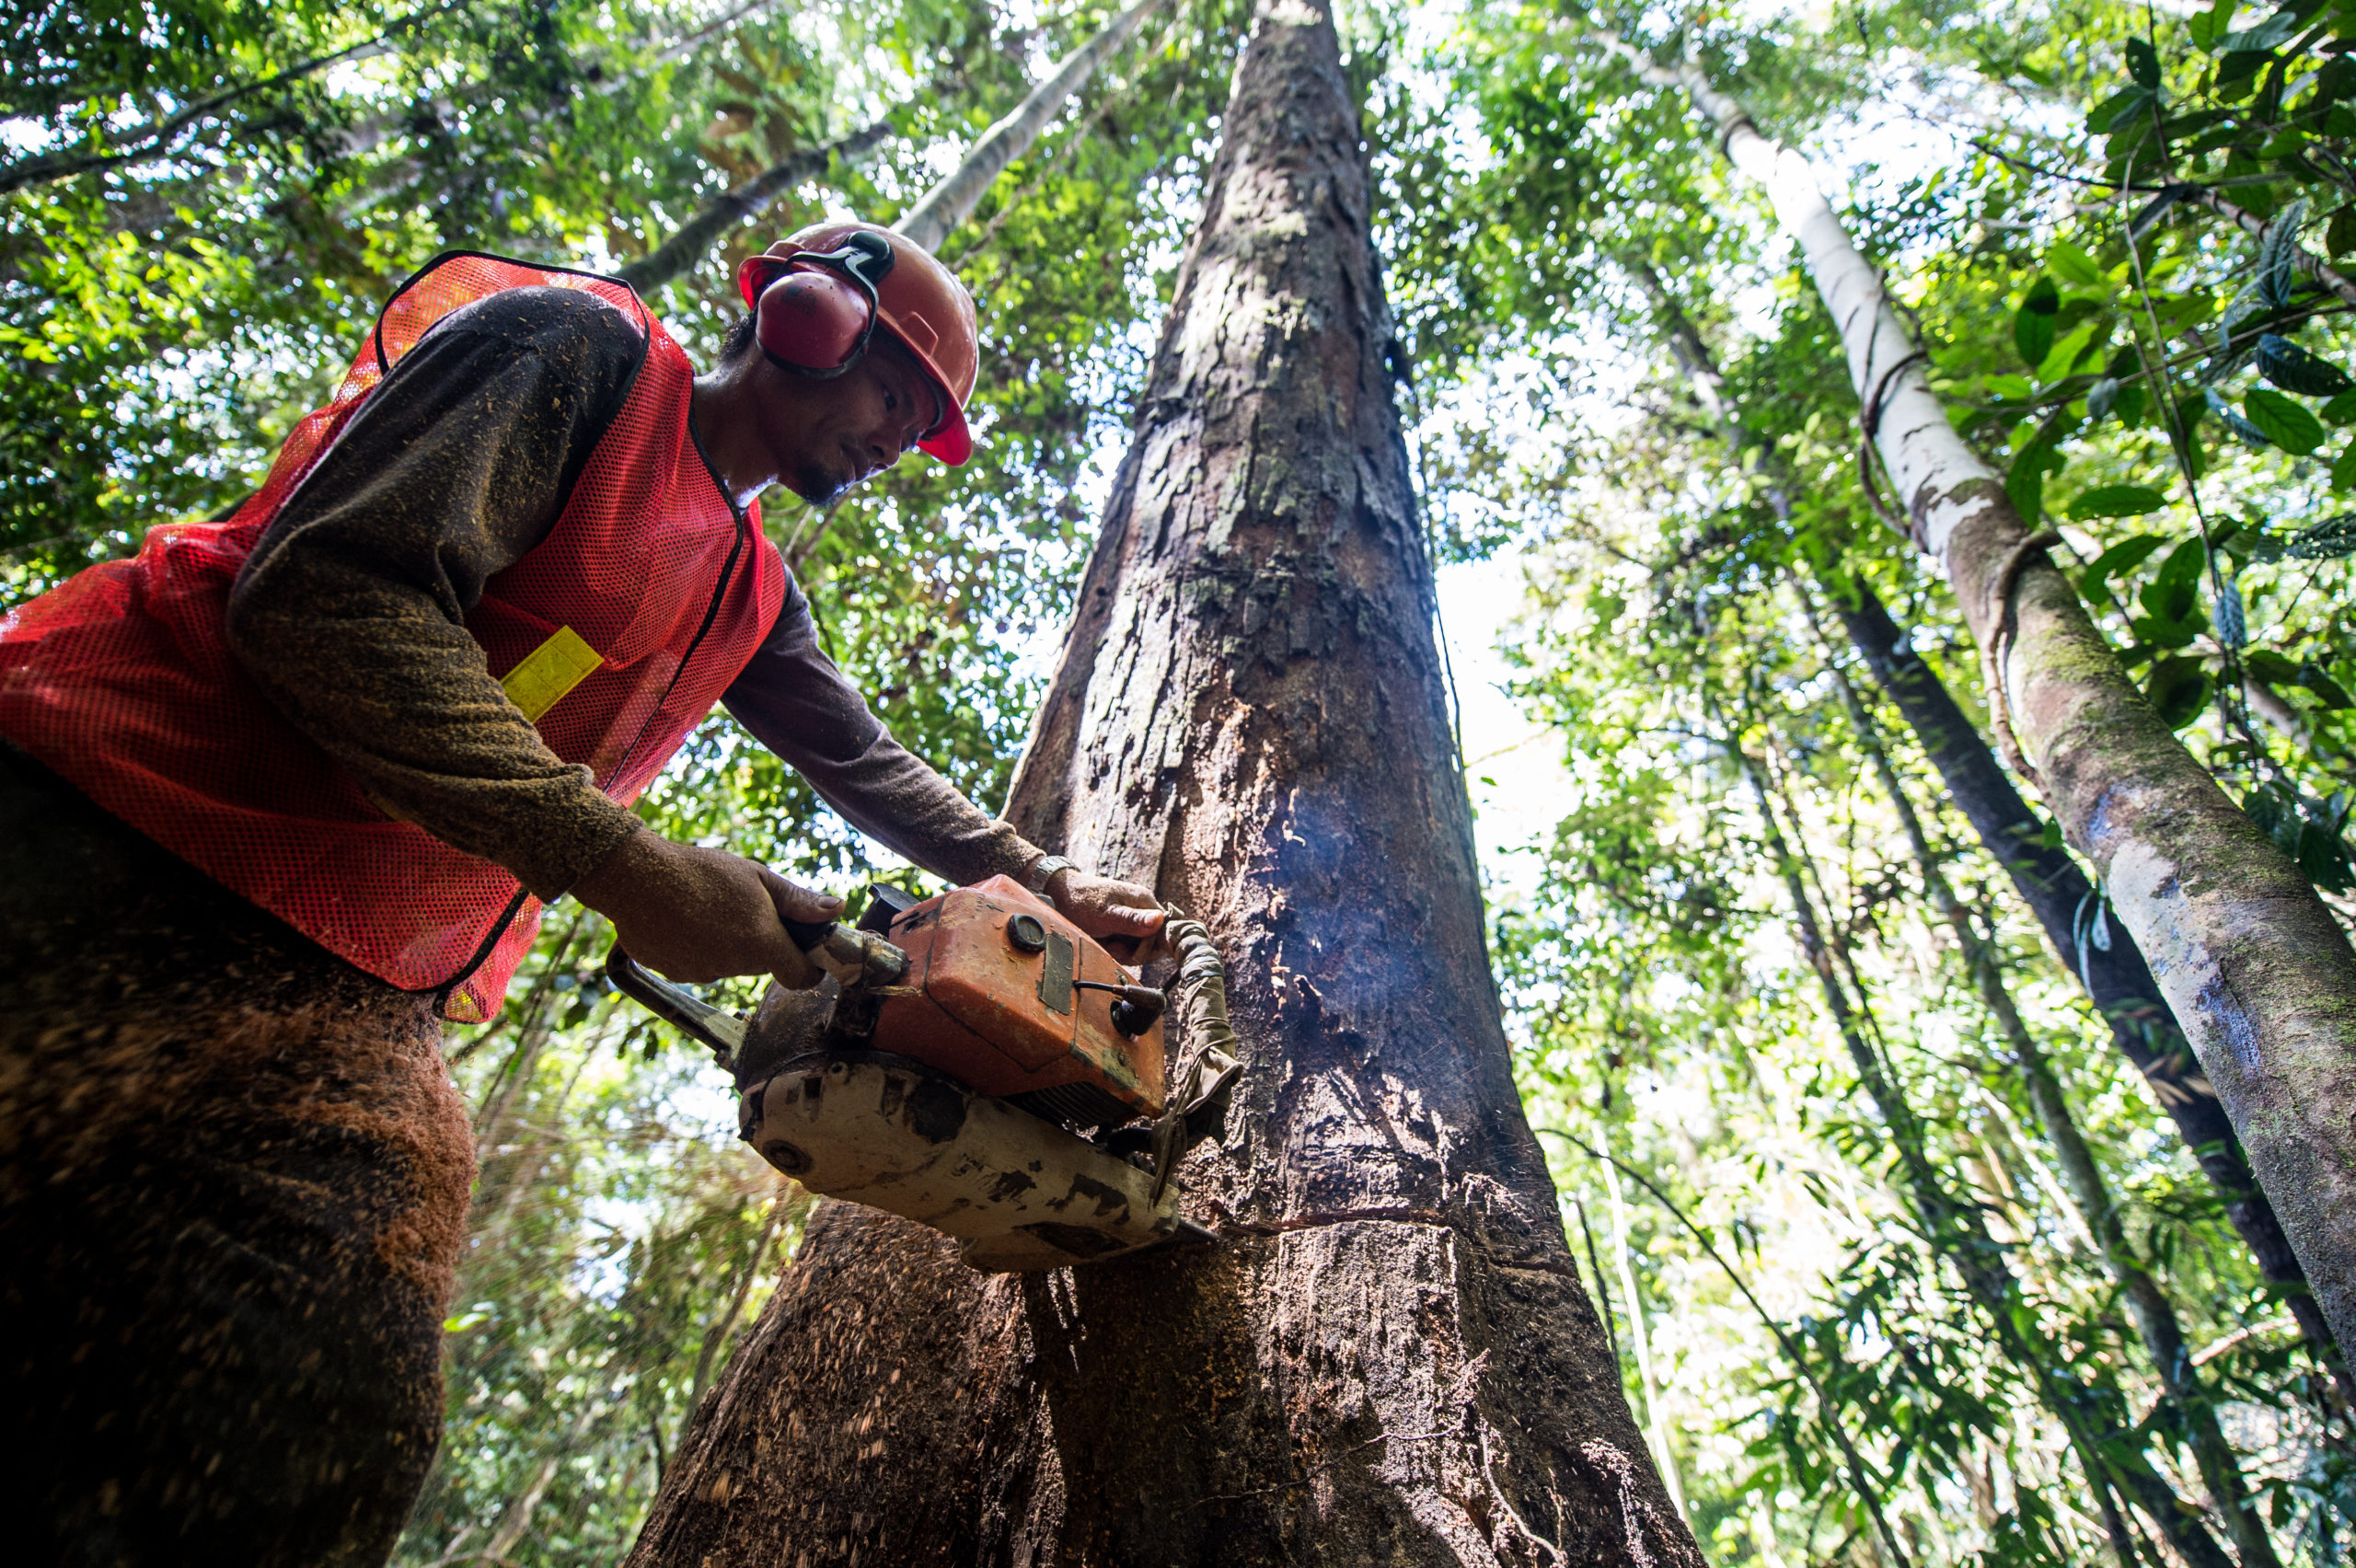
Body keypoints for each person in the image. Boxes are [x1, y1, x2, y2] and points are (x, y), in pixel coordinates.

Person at [0, 221, 1163, 1566]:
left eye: (923, 423)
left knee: (315, 1408)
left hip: (346, 982)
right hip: (110, 812)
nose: (903, 435)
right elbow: (325, 594)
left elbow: (866, 761)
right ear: (808, 318)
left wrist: (1050, 881)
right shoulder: (582, 357)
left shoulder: (748, 587)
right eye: (896, 392)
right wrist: (623, 864)